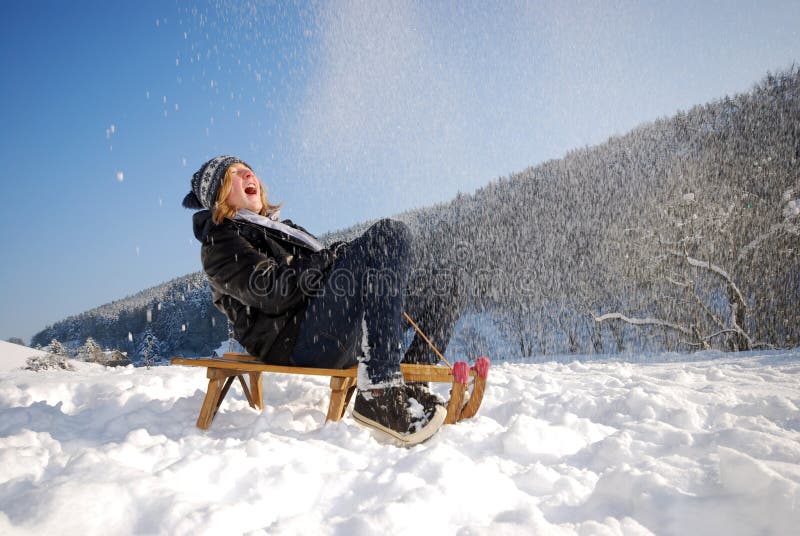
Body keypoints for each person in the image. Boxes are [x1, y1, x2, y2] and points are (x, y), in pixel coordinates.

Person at [183, 155, 465, 445]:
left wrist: (338, 260)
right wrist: (330, 257)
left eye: (249, 171)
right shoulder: (220, 243)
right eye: (235, 174)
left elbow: (320, 272)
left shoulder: (281, 228)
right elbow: (273, 291)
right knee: (388, 234)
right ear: (218, 196)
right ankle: (379, 391)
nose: (248, 176)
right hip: (298, 339)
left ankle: (413, 387)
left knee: (446, 285)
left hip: (327, 324)